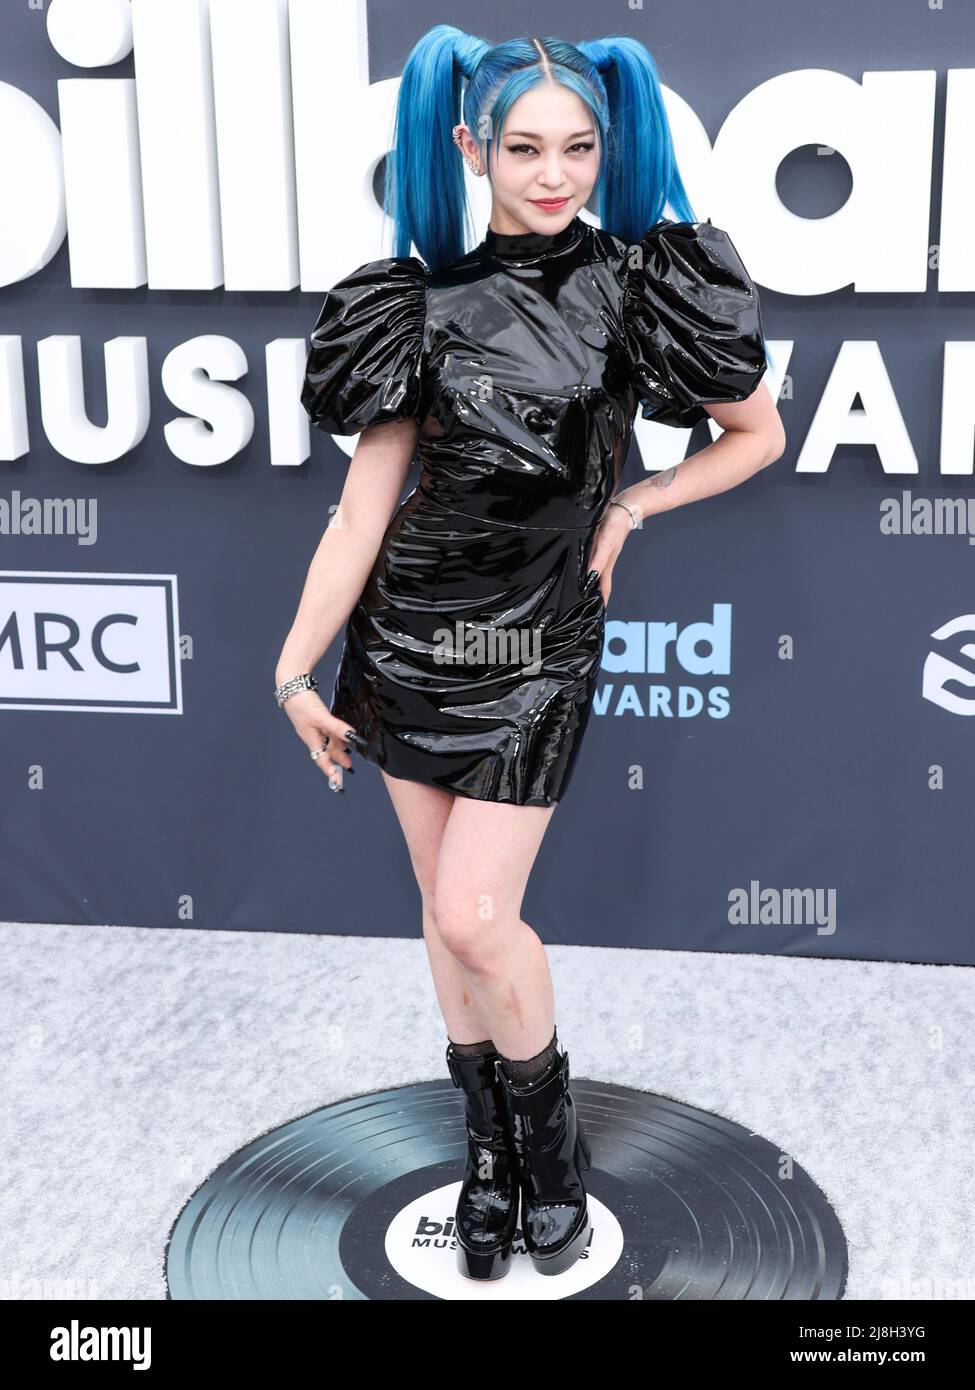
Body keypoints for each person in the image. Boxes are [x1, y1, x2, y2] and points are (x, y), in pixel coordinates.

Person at [276, 25, 785, 1283]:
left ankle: (550, 1157)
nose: (553, 172)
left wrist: (630, 504)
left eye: (578, 146)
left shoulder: (639, 286)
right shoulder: (414, 306)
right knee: (441, 926)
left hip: (536, 650)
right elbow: (361, 512)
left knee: (475, 910)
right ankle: (487, 1163)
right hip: (405, 645)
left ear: (604, 148)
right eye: (522, 148)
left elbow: (756, 433)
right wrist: (294, 670)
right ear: (470, 145)